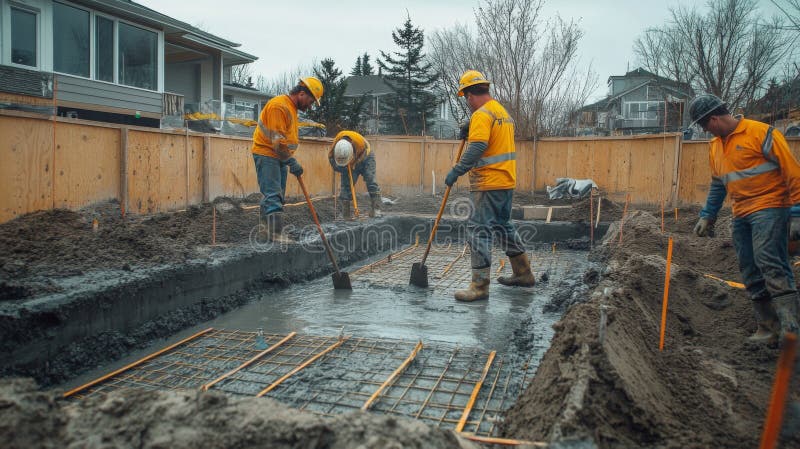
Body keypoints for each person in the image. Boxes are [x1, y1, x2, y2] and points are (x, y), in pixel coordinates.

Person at [691, 93, 800, 342]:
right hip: (741, 213)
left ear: (714, 118)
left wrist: (796, 212)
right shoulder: (716, 146)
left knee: (770, 262)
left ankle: (791, 327)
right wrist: (708, 215)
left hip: (770, 207)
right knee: (749, 267)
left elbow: (793, 172)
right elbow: (719, 184)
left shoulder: (761, 133)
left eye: (704, 125)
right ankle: (767, 326)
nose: (705, 131)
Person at [444, 70, 535, 302]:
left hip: (488, 183)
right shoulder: (500, 111)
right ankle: (523, 273)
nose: (467, 102)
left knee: (478, 231)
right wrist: (470, 126)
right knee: (503, 226)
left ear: (469, 95)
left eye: (466, 97)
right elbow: (492, 140)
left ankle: (479, 287)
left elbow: (477, 148)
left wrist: (457, 170)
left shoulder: (482, 115)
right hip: (505, 181)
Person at [251, 77, 323, 241]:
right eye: (310, 101)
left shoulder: (290, 107)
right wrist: (292, 162)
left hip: (278, 156)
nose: (310, 106)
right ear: (302, 94)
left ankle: (266, 231)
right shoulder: (279, 106)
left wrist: (288, 160)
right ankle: (275, 234)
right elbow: (277, 142)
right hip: (268, 153)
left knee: (277, 194)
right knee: (273, 194)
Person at [328, 130, 382, 218]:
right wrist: (341, 168)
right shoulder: (335, 146)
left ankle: (376, 209)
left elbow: (361, 158)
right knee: (346, 184)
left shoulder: (360, 144)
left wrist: (353, 164)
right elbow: (331, 158)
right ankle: (345, 213)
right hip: (353, 158)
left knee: (370, 178)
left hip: (366, 156)